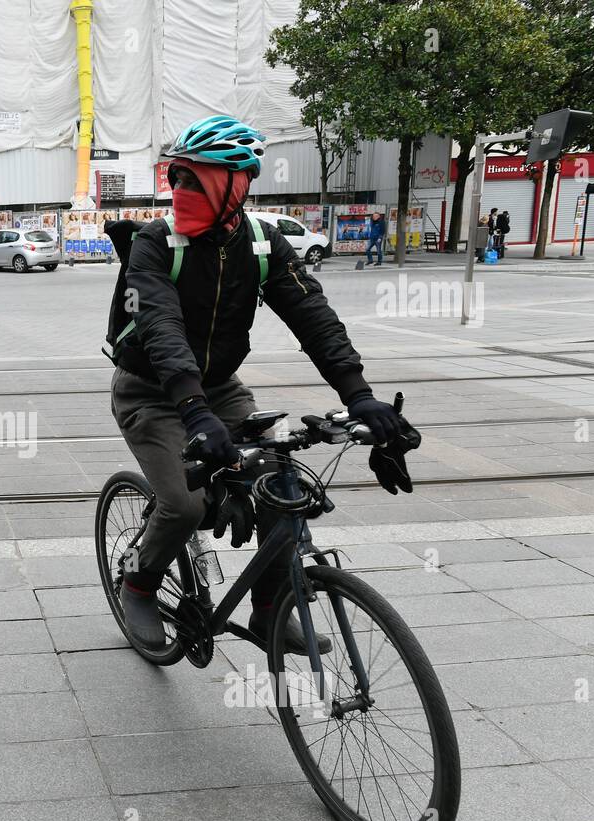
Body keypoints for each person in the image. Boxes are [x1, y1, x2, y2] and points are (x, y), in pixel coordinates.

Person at [110, 115, 412, 654]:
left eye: (195, 179)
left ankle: (270, 610)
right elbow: (161, 327)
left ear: (238, 184)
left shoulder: (264, 244)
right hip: (152, 391)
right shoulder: (155, 244)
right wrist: (194, 412)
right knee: (183, 506)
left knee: (284, 485)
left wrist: (359, 395)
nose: (181, 190)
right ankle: (139, 583)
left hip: (221, 388)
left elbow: (312, 316)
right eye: (177, 177)